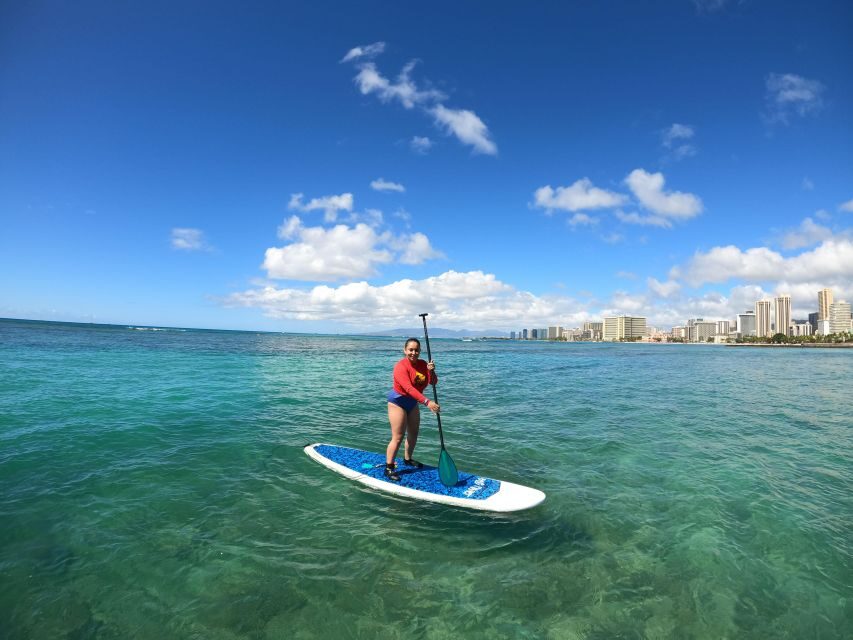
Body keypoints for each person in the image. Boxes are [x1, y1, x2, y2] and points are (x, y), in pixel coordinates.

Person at [384, 337, 440, 481]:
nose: (413, 353)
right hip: (398, 402)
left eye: (416, 350)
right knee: (398, 437)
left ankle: (408, 459)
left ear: (420, 351)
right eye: (411, 350)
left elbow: (433, 382)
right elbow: (408, 388)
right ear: (405, 350)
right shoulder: (400, 366)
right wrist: (427, 402)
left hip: (413, 402)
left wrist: (431, 372)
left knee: (413, 434)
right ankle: (389, 467)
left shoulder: (423, 364)